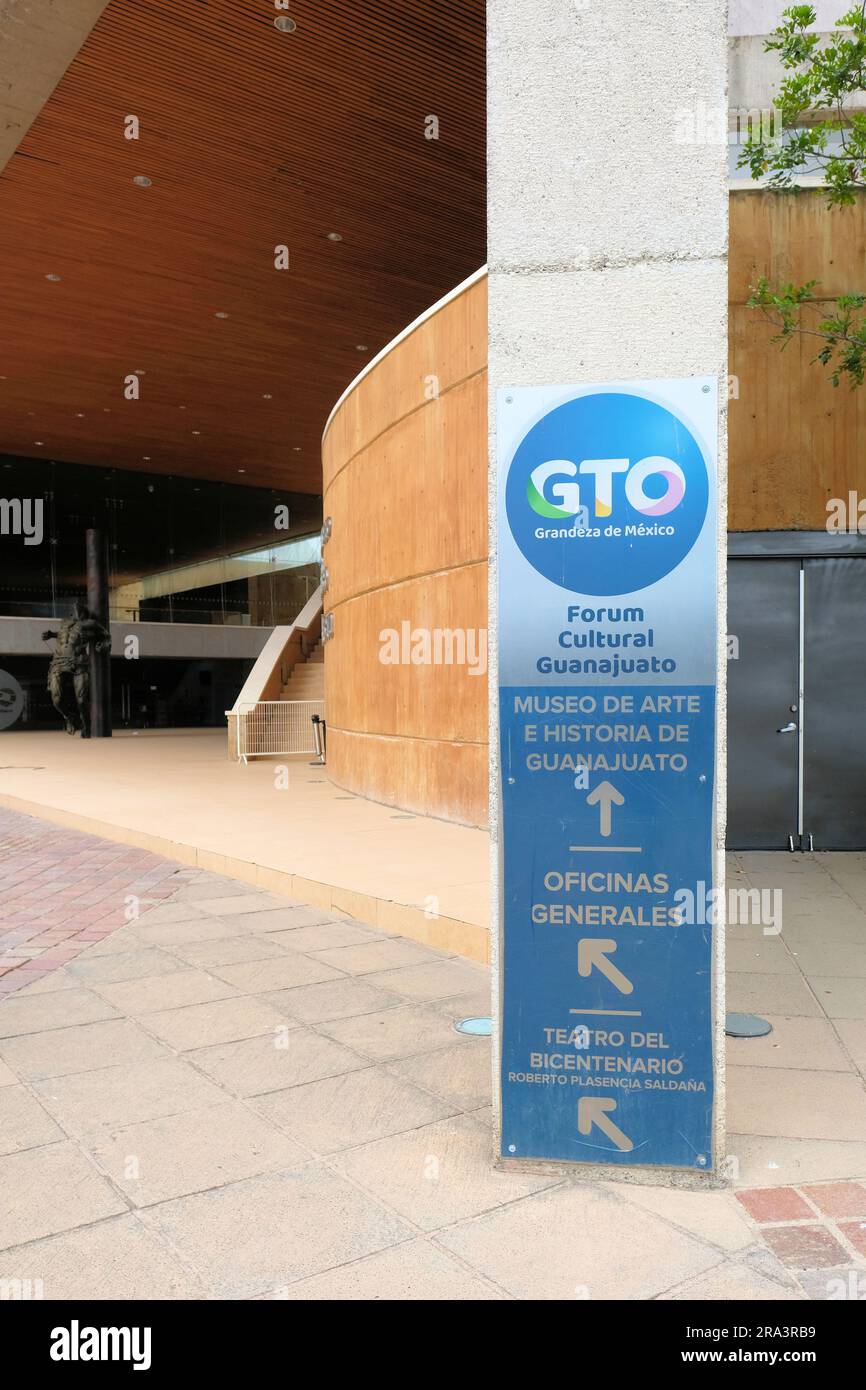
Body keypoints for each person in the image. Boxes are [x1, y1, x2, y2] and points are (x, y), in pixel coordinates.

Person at [41, 600, 111, 737]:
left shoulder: (90, 624)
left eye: (79, 607)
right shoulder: (64, 623)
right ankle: (69, 717)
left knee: (81, 700)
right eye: (74, 608)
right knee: (56, 699)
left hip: (79, 662)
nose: (76, 608)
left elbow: (106, 635)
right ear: (72, 612)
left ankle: (86, 727)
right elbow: (65, 636)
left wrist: (101, 646)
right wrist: (51, 635)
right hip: (59, 662)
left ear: (84, 611)